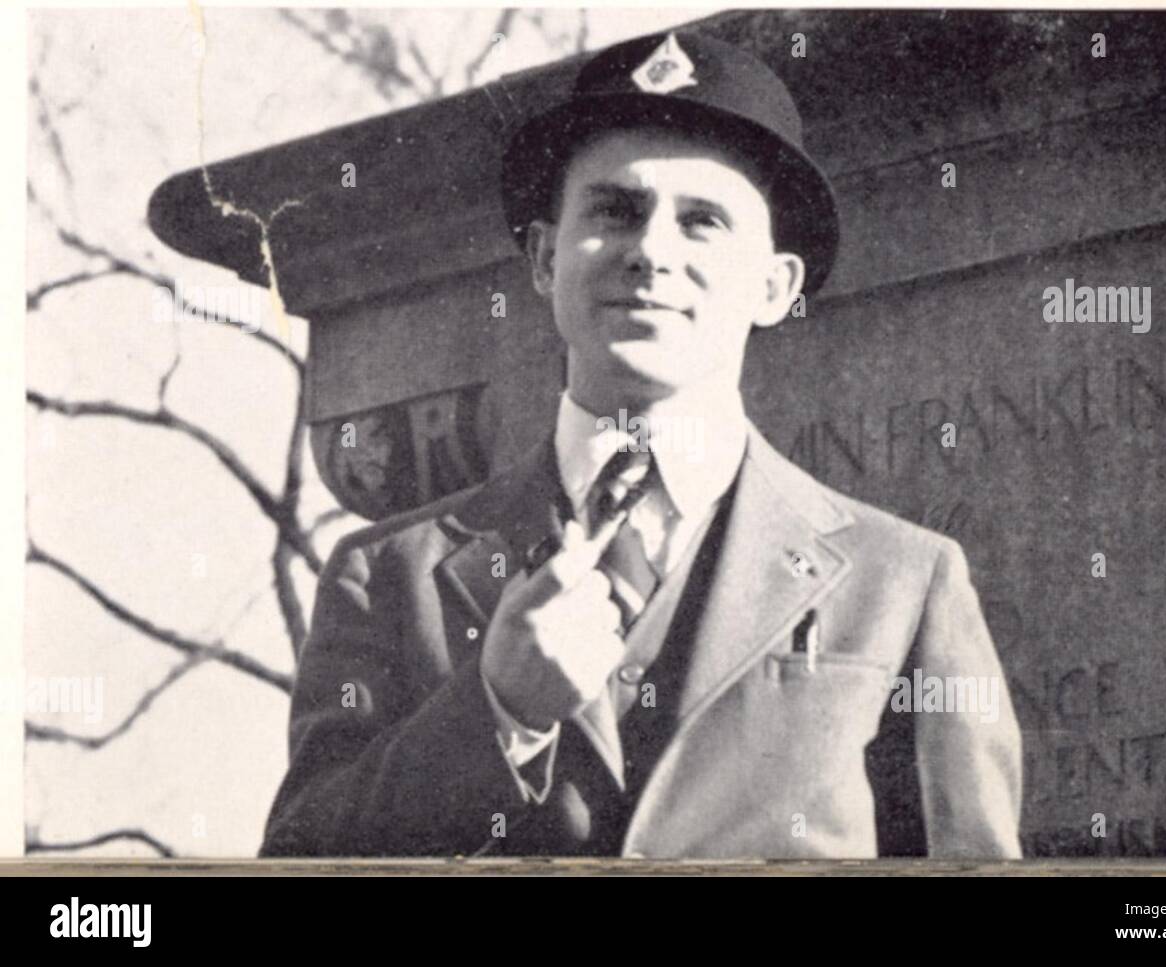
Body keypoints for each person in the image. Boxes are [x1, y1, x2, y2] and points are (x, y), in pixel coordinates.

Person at [259, 29, 1022, 859]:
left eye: (703, 222)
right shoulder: (385, 572)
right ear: (547, 259)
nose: (652, 252)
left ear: (776, 286)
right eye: (614, 210)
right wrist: (497, 711)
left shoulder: (904, 583)